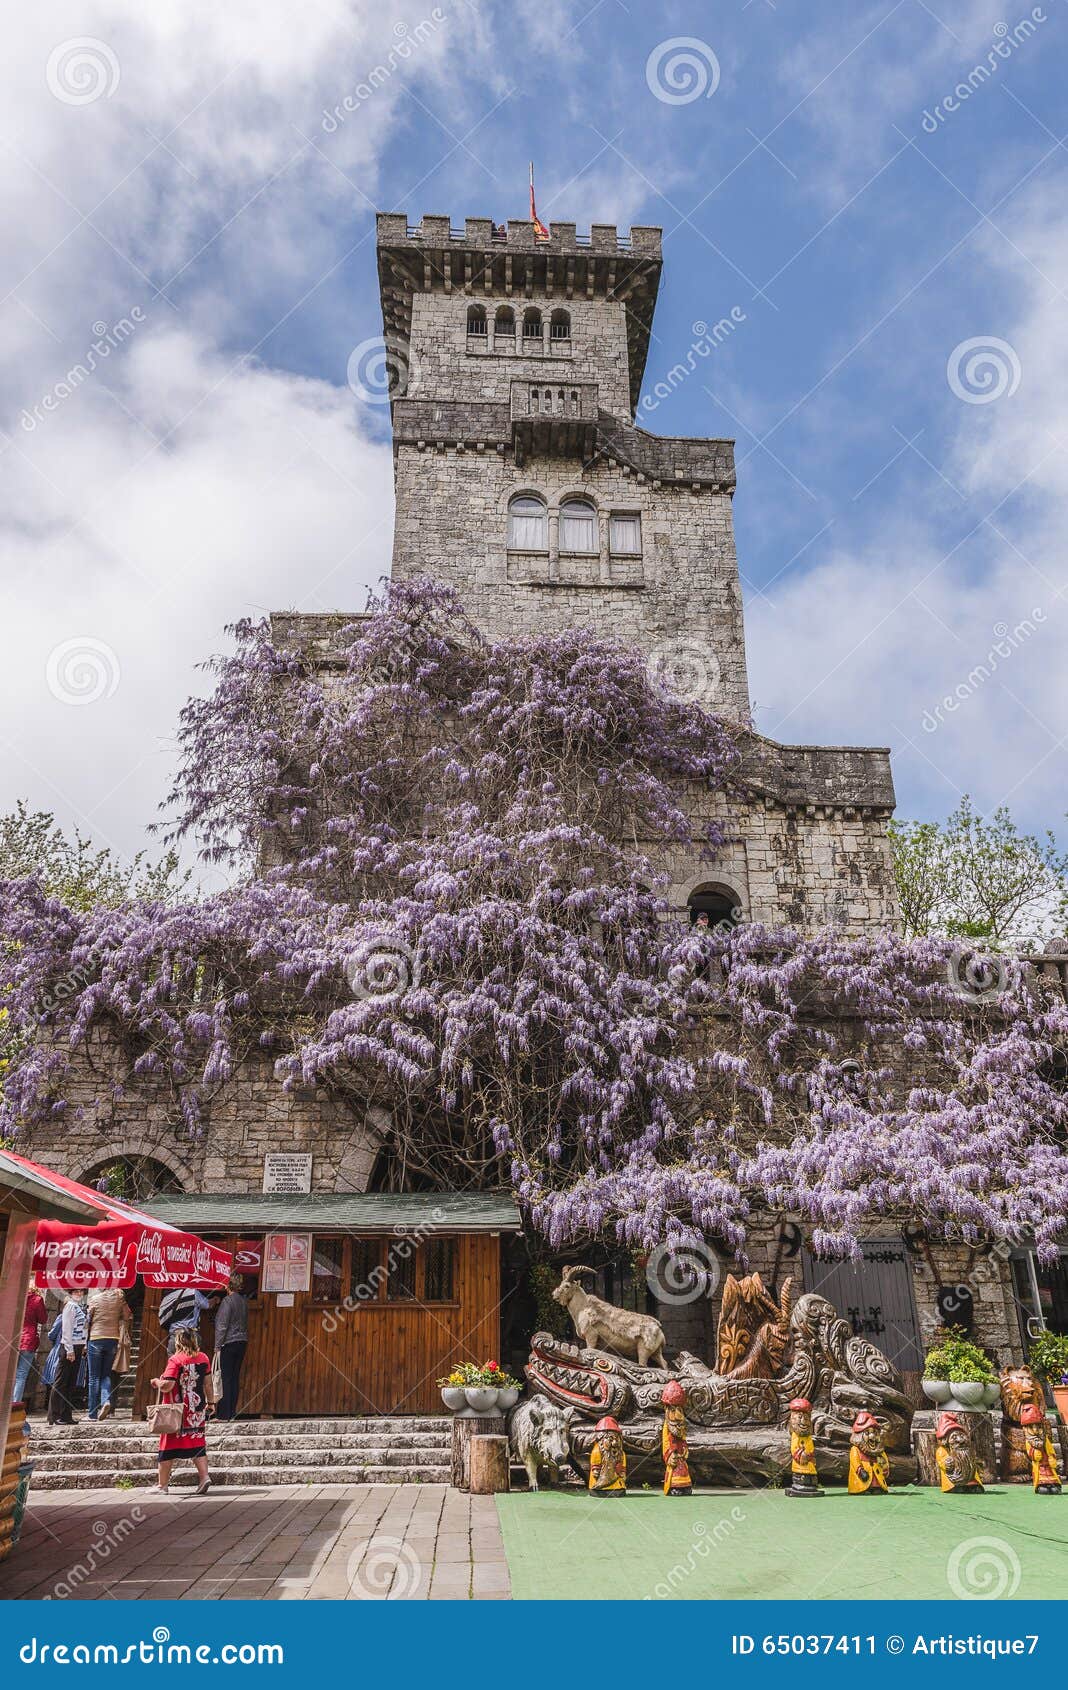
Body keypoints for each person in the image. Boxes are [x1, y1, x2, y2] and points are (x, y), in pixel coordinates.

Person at [151, 1326, 213, 1496]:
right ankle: (204, 1476)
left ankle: (162, 1485)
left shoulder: (175, 1360)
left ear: (178, 1342)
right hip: (197, 1409)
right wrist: (212, 1402)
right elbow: (207, 1383)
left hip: (177, 1411)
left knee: (167, 1445)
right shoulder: (204, 1358)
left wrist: (156, 1382)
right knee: (198, 1443)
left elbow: (168, 1385)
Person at [86, 1286, 133, 1421]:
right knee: (106, 1374)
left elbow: (88, 1320)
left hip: (96, 1338)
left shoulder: (94, 1299)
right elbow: (127, 1315)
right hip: (113, 1339)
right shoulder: (119, 1299)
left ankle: (92, 1413)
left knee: (94, 1377)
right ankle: (106, 1400)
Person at [48, 1289, 88, 1425]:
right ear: (71, 1293)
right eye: (76, 1292)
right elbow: (67, 1328)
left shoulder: (79, 1307)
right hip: (68, 1347)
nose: (79, 1294)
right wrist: (69, 1349)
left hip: (78, 1346)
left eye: (81, 1292)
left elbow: (83, 1328)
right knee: (61, 1382)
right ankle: (55, 1415)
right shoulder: (70, 1306)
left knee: (70, 1383)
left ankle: (66, 1414)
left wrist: (84, 1344)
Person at [212, 1274, 249, 1422]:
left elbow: (222, 1325)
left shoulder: (227, 1301)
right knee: (234, 1377)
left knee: (224, 1378)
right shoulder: (243, 1301)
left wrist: (217, 1345)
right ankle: (232, 1412)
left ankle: (223, 1414)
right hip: (242, 1341)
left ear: (228, 1286)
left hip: (229, 1342)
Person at [13, 1288, 48, 1408]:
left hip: (12, 1338)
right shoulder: (37, 1300)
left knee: (7, 1373)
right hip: (28, 1340)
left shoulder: (14, 1296)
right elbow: (43, 1319)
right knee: (21, 1375)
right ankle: (15, 1404)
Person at [158, 1286, 212, 1355]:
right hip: (190, 1337)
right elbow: (208, 1305)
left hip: (174, 1337)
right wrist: (216, 1299)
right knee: (190, 1363)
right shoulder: (193, 1292)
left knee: (174, 1364)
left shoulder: (168, 1296)